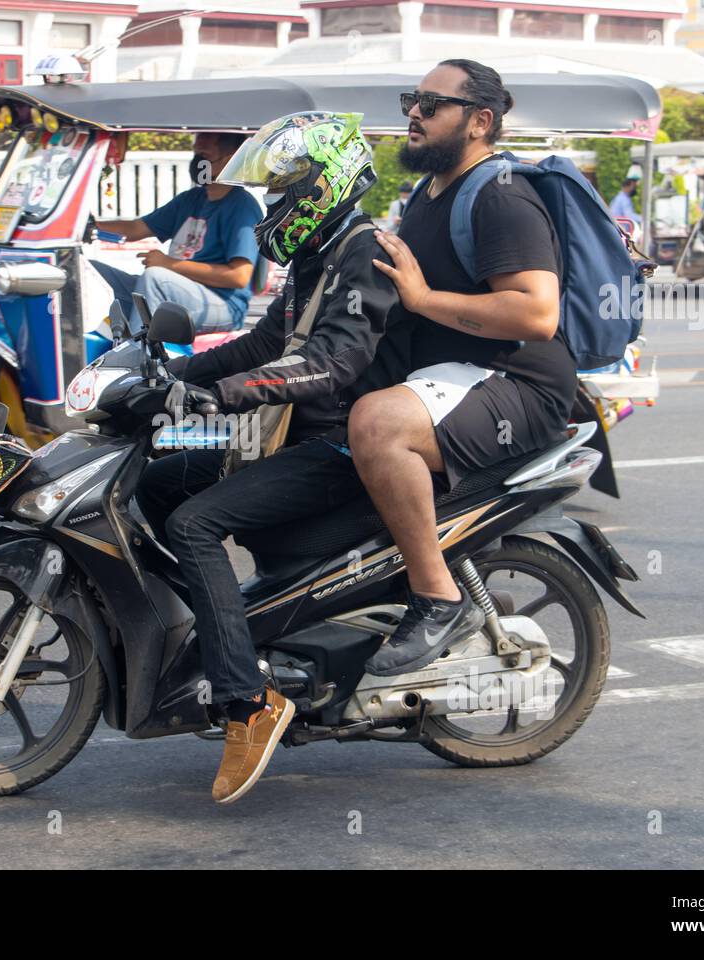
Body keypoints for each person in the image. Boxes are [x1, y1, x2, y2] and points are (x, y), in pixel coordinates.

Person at [136, 112, 412, 803]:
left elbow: (334, 362)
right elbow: (264, 344)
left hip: (339, 446)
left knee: (193, 525)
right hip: (287, 432)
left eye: (285, 188)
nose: (273, 203)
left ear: (325, 184)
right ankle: (222, 627)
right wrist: (168, 376)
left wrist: (224, 394)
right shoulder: (320, 252)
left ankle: (247, 701)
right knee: (157, 484)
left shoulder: (365, 254)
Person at [349, 59, 571, 676]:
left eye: (431, 104)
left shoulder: (501, 196)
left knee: (377, 424)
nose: (413, 114)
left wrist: (423, 300)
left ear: (479, 121)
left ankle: (438, 597)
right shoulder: (430, 192)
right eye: (410, 100)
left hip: (516, 384)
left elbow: (536, 314)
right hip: (448, 378)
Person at [93, 132, 263, 333]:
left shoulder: (242, 207)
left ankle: (141, 350)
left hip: (223, 304)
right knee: (93, 272)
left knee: (155, 278)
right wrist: (91, 226)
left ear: (230, 160)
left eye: (204, 156)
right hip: (176, 292)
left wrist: (168, 264)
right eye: (196, 155)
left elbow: (239, 276)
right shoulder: (191, 199)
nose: (198, 163)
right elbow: (136, 228)